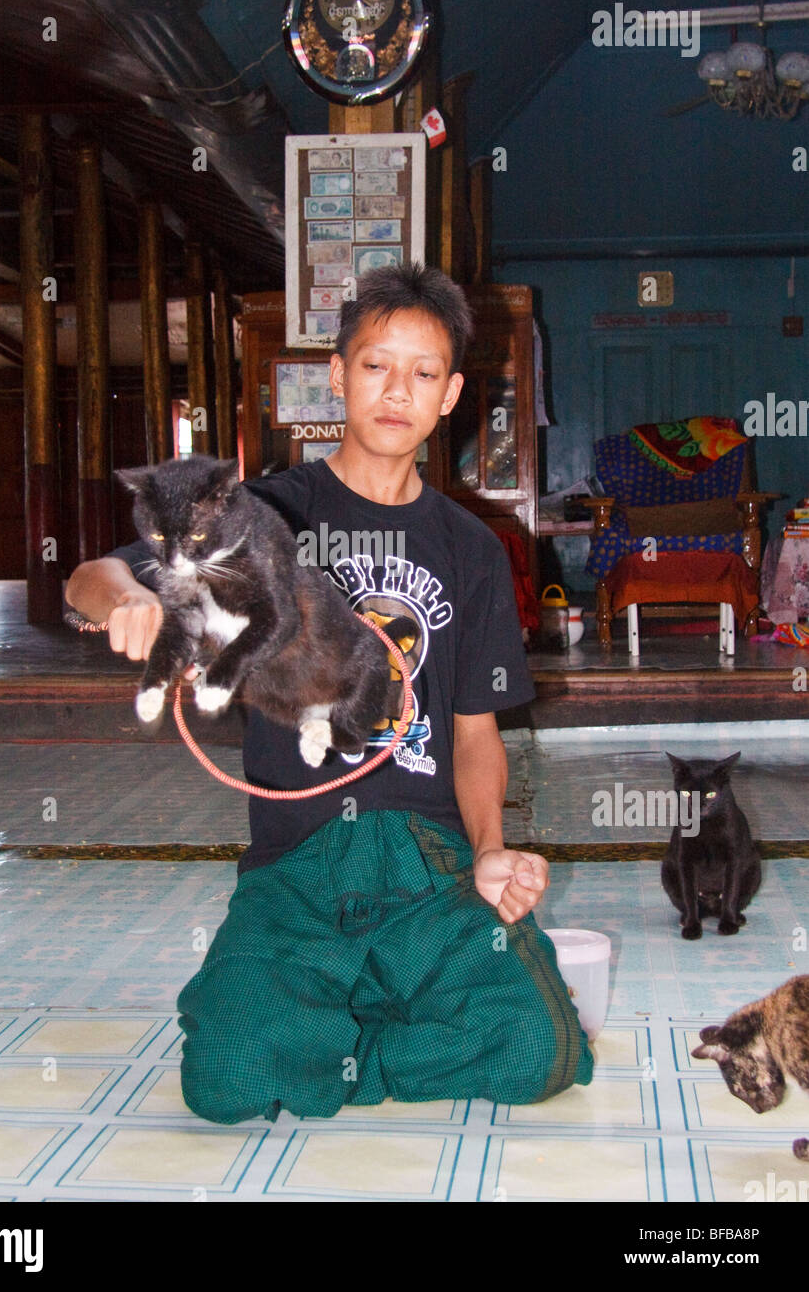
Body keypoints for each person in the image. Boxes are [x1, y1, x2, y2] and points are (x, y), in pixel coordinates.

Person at [65, 263, 594, 1123]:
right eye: (376, 366)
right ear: (337, 376)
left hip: (431, 865)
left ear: (451, 392)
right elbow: (90, 576)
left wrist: (491, 853)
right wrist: (126, 599)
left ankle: (338, 1045)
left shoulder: (472, 547)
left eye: (423, 374)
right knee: (225, 1086)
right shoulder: (261, 513)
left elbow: (473, 736)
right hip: (296, 863)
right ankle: (324, 1020)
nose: (398, 391)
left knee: (541, 1050)